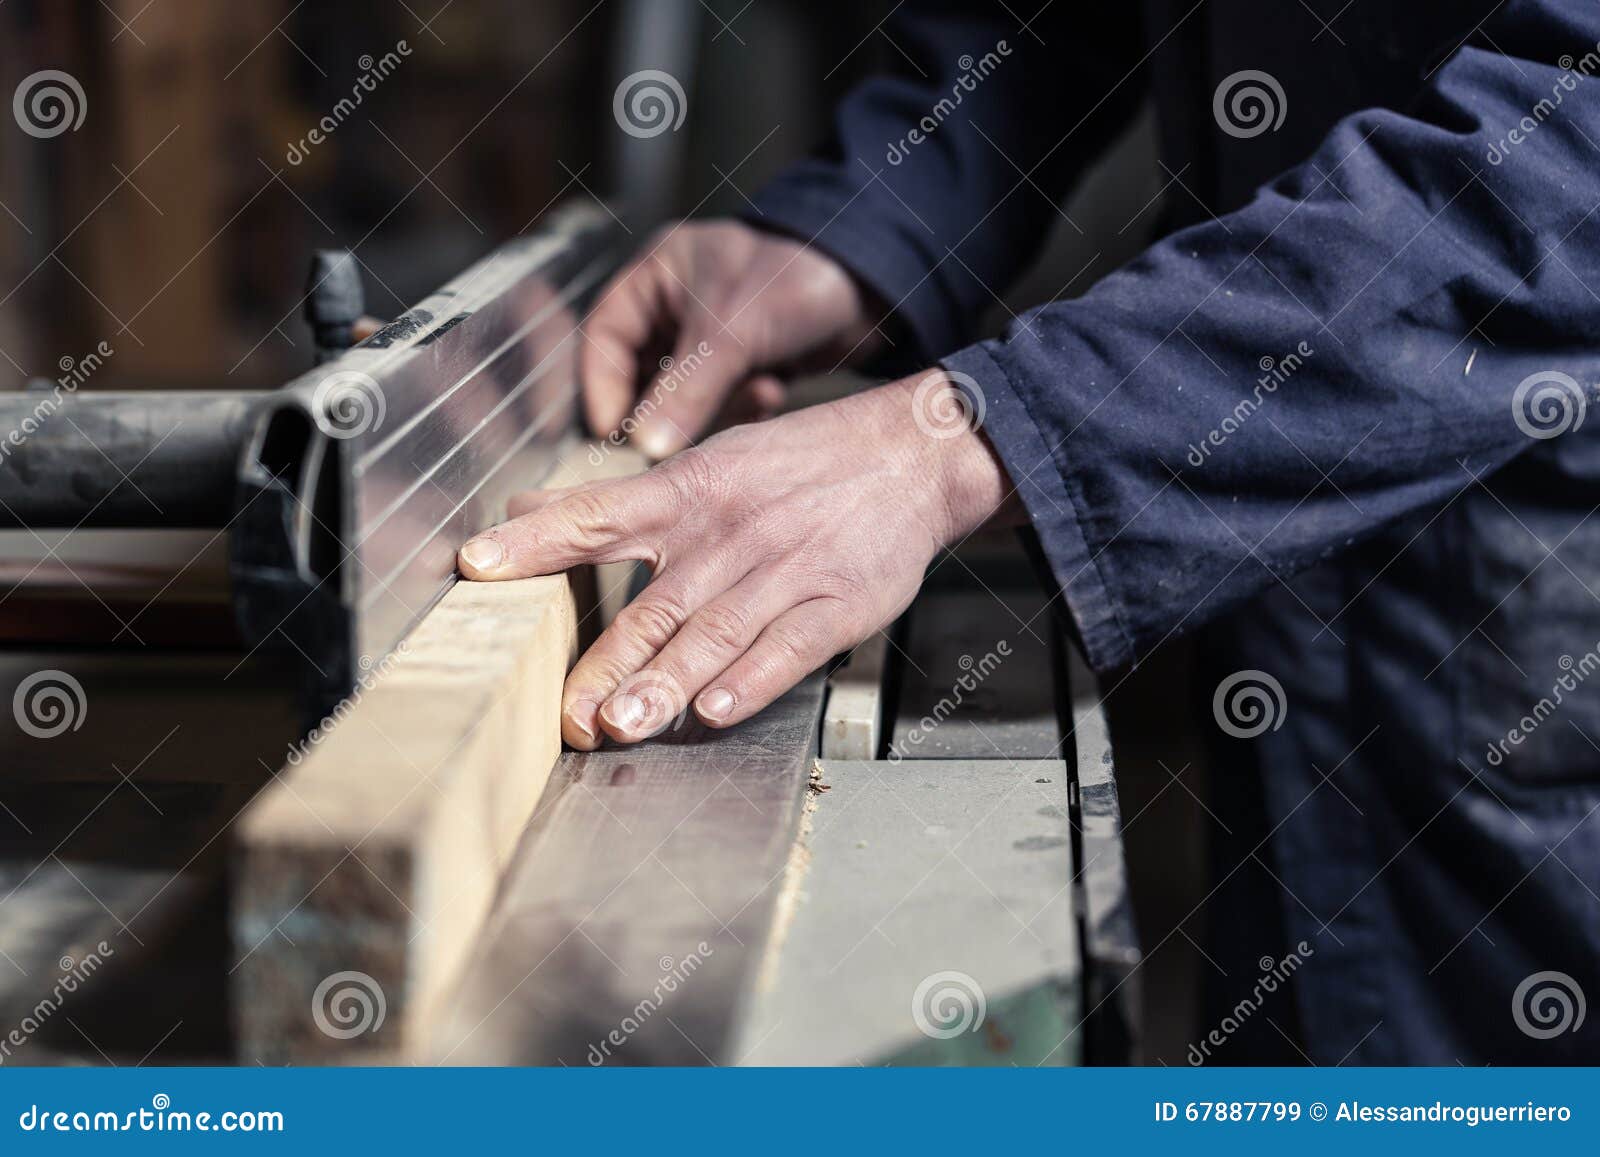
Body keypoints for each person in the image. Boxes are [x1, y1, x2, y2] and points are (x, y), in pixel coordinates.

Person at [457, 2, 1600, 1064]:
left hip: (1522, 577)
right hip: (1288, 603)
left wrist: (984, 432)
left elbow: (1570, 142)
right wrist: (865, 226)